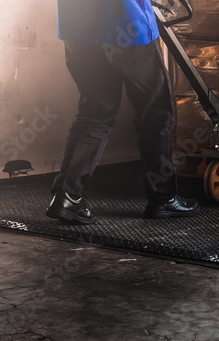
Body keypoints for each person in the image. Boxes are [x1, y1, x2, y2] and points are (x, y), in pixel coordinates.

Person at [47, 0, 200, 223]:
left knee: (95, 112)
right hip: (128, 24)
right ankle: (162, 198)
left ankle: (67, 196)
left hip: (77, 28)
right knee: (156, 113)